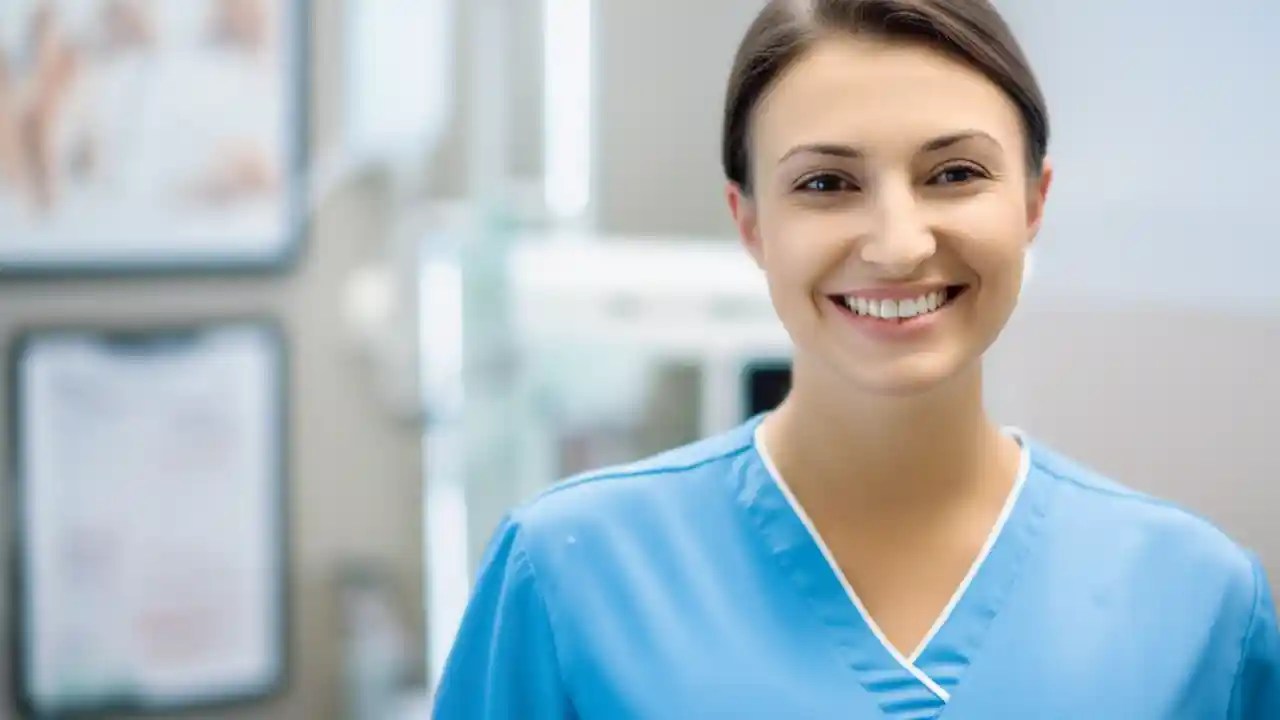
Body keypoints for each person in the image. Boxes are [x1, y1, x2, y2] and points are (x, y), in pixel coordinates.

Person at [432, 0, 1280, 717]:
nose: (898, 245)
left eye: (953, 173)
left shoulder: (1198, 603)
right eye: (826, 185)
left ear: (1032, 203)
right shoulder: (572, 575)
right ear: (750, 222)